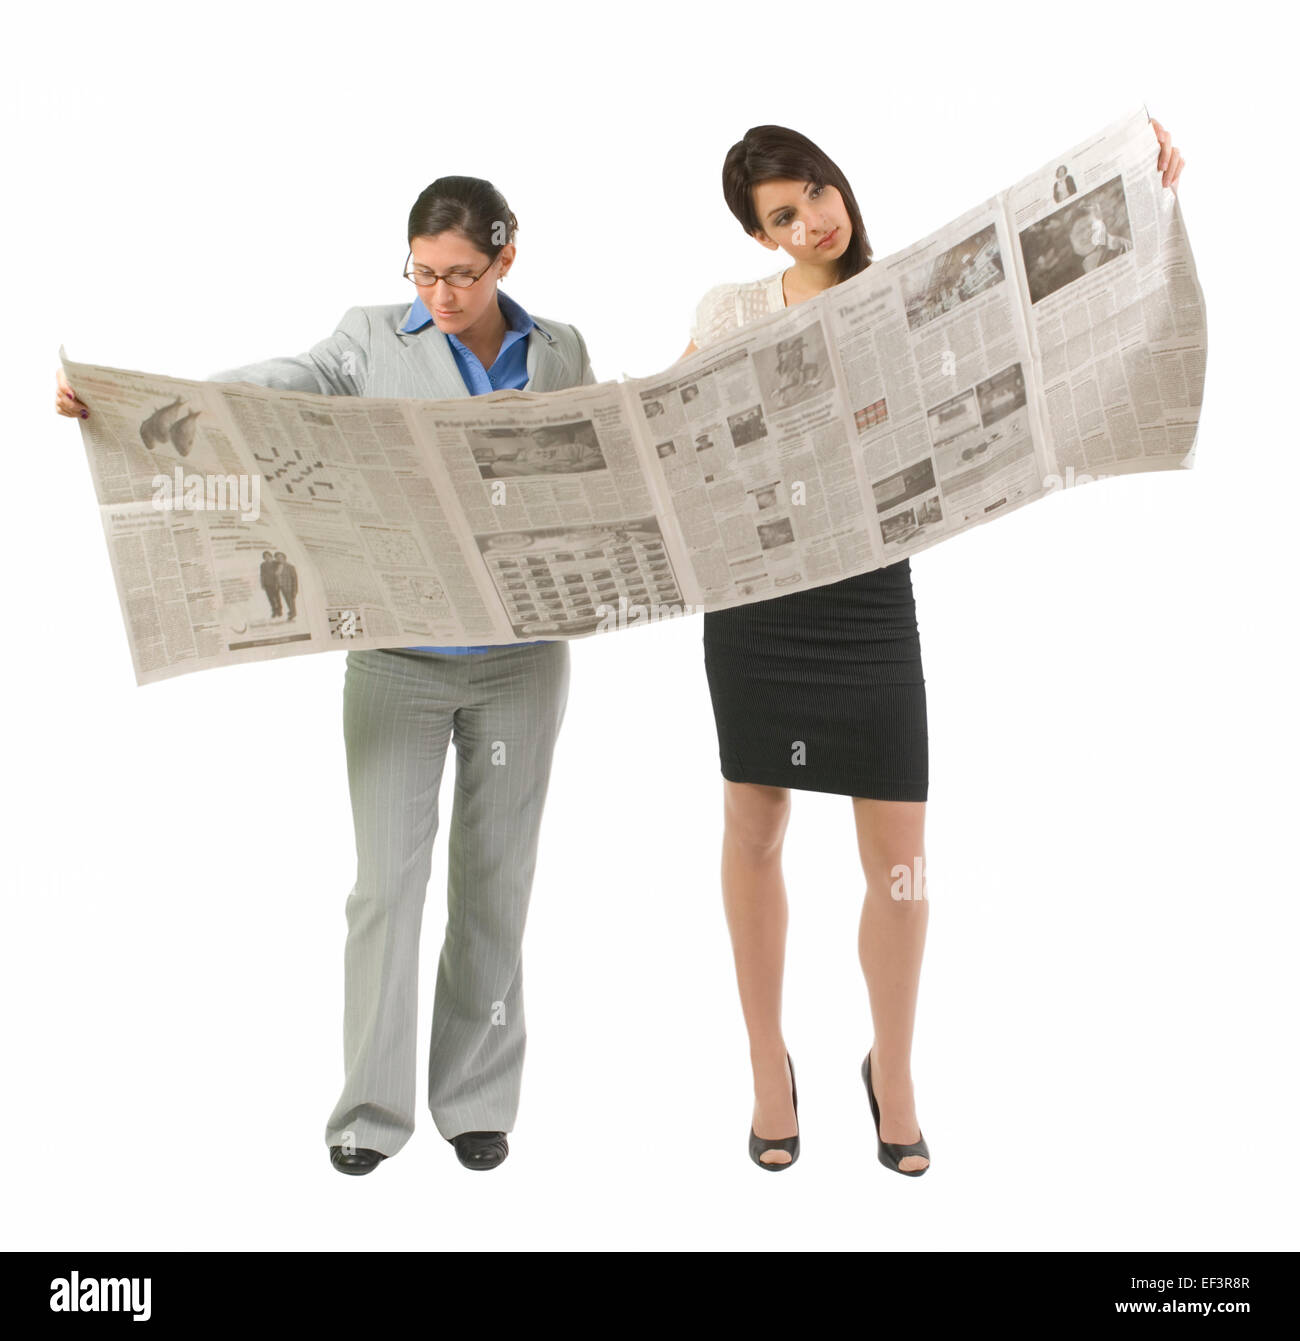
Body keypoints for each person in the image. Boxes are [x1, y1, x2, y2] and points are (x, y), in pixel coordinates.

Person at [56, 175, 596, 1176]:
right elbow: (272, 384)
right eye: (423, 272)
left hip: (519, 664)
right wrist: (132, 406)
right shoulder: (367, 338)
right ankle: (369, 1113)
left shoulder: (558, 347)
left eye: (462, 276)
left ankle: (476, 1099)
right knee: (385, 889)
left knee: (496, 885)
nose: (440, 293)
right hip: (397, 662)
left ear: (506, 260)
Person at [677, 118, 1184, 1173]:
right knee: (755, 829)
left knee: (900, 862)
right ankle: (767, 1065)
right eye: (783, 215)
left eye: (815, 191)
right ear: (762, 238)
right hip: (760, 605)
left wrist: (1137, 169)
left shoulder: (914, 286)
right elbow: (671, 421)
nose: (813, 218)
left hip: (864, 607)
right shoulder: (730, 312)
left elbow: (1051, 317)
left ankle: (891, 1071)